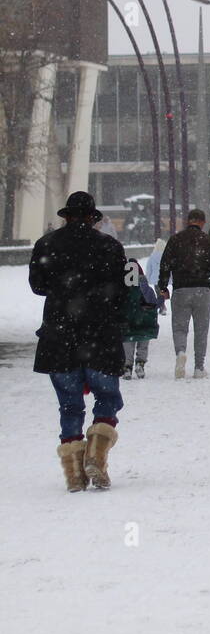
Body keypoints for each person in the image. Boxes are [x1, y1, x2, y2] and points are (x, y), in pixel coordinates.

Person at [29, 190, 128, 492]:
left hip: (59, 336)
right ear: (92, 217)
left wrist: (64, 288)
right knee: (107, 397)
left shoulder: (46, 244)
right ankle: (96, 453)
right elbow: (123, 290)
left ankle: (74, 474)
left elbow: (37, 286)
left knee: (69, 405)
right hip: (100, 336)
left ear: (67, 216)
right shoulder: (110, 246)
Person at [158, 209, 210, 380]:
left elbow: (165, 265)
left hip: (181, 289)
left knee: (180, 328)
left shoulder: (175, 240)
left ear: (188, 221)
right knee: (201, 330)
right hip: (203, 289)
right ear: (202, 222)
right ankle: (199, 368)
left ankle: (180, 352)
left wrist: (163, 287)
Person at [122, 258, 160, 379]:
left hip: (129, 323)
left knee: (128, 343)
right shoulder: (146, 289)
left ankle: (127, 367)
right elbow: (154, 305)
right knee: (143, 343)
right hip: (145, 323)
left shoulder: (124, 290)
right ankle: (140, 363)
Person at [145, 237, 168, 315]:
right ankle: (162, 306)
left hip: (155, 279)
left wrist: (147, 278)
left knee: (158, 293)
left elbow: (149, 268)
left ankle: (162, 307)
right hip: (164, 279)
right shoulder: (166, 256)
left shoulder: (152, 256)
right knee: (162, 292)